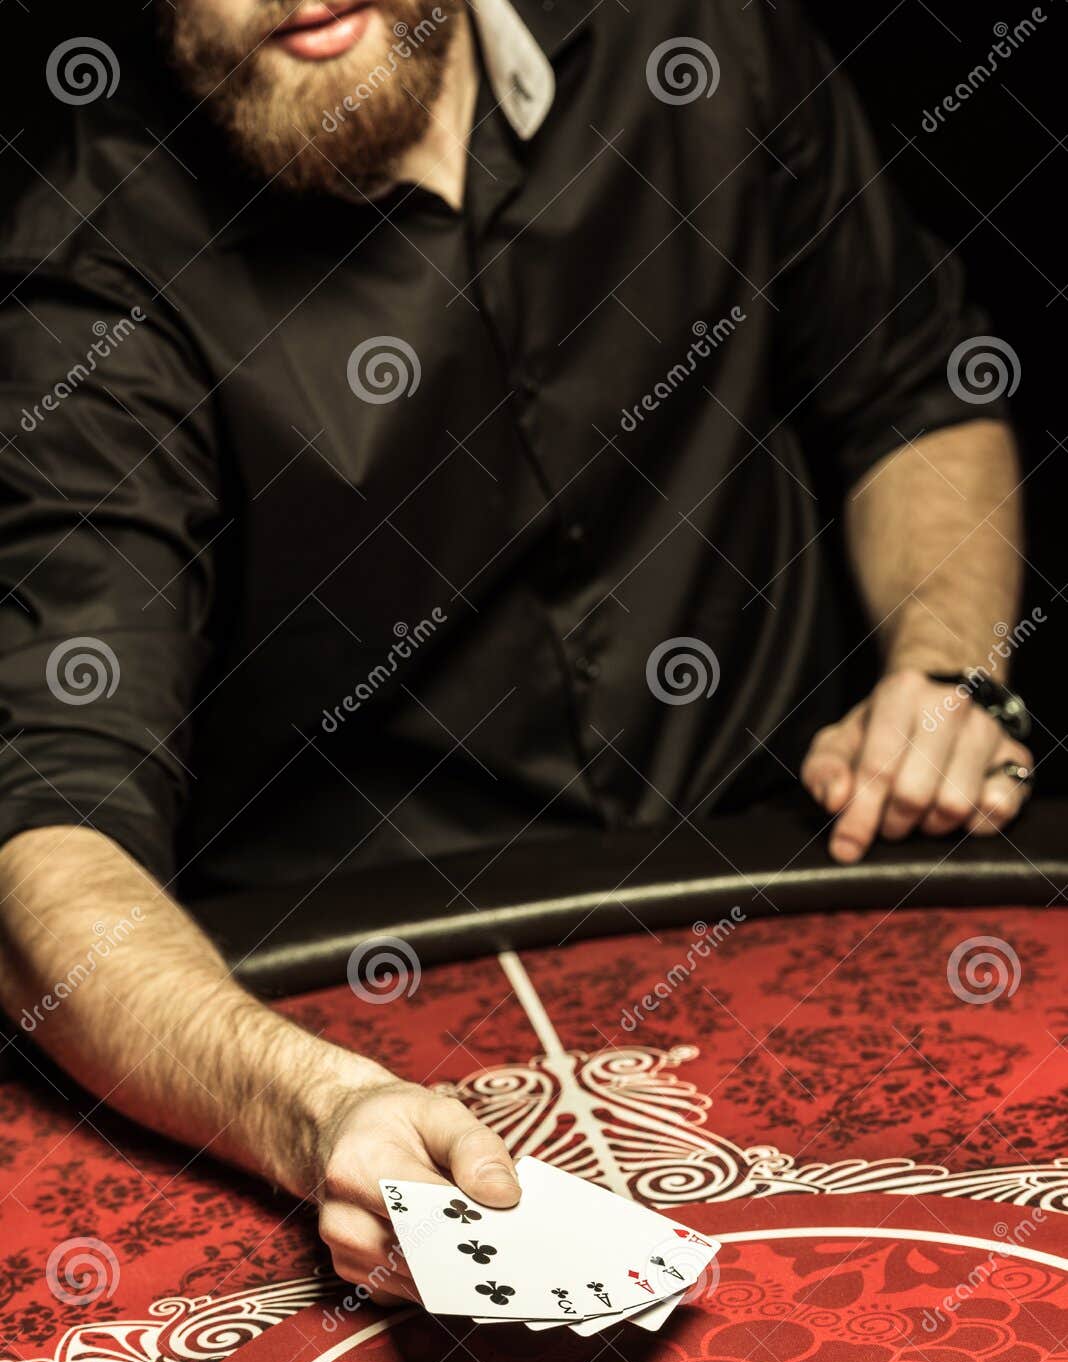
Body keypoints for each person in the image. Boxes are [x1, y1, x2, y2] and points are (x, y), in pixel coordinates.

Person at [0, 0, 1033, 1296]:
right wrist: (313, 1105)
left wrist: (945, 668)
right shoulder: (92, 275)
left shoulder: (699, 33)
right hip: (383, 1034)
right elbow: (53, 830)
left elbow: (918, 389)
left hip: (800, 891)